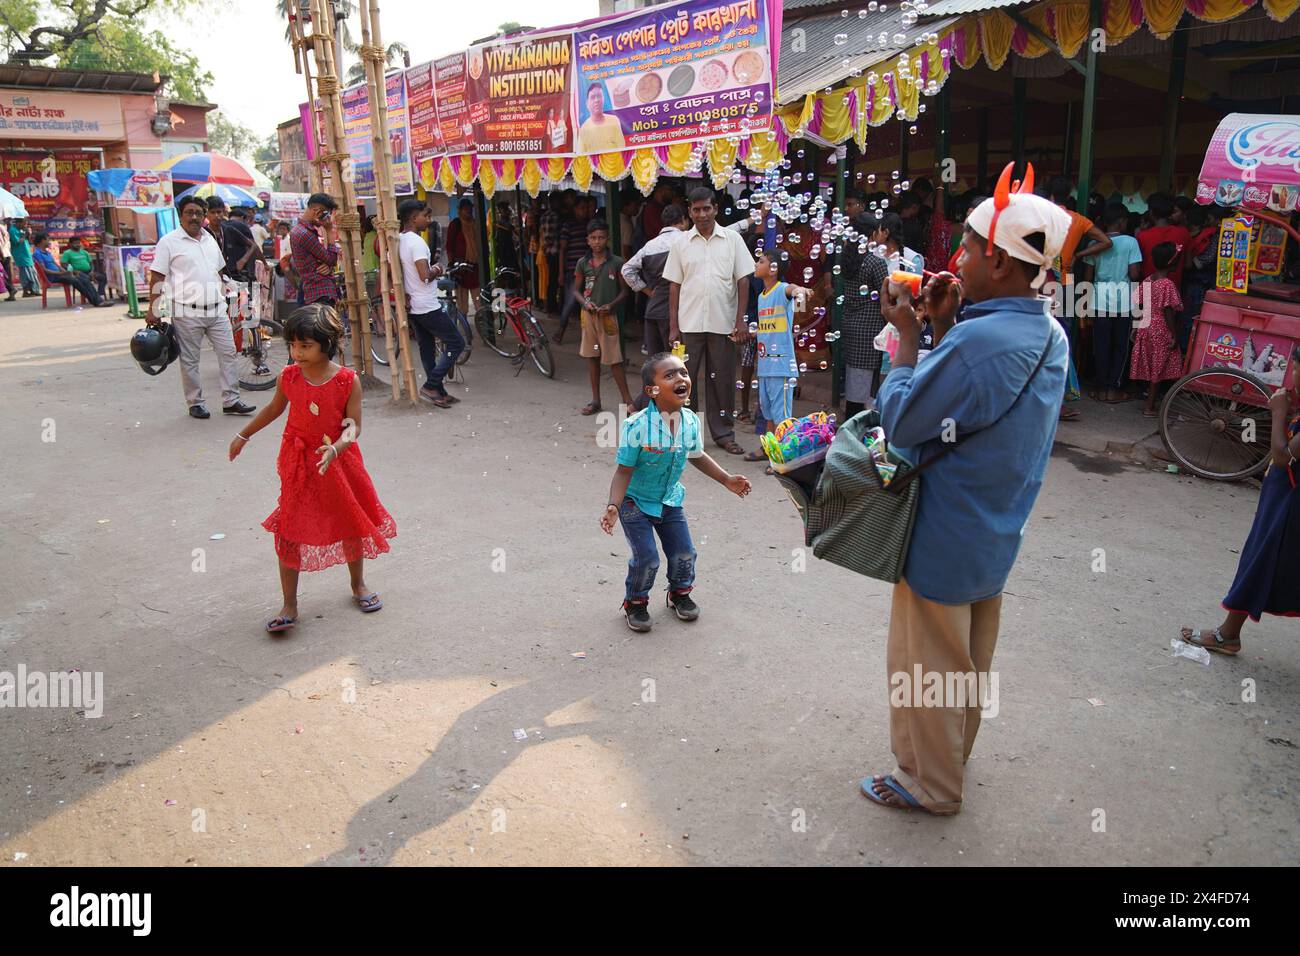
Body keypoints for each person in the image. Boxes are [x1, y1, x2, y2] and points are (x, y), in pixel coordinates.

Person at [863, 168, 1070, 815]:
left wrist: (907, 338)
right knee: (967, 662)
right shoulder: (1047, 333)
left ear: (1003, 263)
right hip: (994, 530)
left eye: (973, 248)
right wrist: (947, 329)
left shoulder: (983, 340)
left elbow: (903, 419)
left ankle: (930, 783)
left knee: (926, 668)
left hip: (943, 533)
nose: (959, 258)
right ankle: (953, 757)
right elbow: (979, 407)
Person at [227, 304, 395, 635]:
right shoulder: (289, 376)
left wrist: (336, 448)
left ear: (326, 344)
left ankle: (358, 584)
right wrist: (243, 434)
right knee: (289, 528)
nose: (297, 352)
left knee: (349, 520)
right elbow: (275, 408)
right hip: (299, 464)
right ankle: (289, 605)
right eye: (293, 345)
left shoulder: (347, 381)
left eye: (305, 346)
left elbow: (353, 427)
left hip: (339, 463)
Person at [600, 351, 752, 632]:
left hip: (670, 498)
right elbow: (623, 471)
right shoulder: (637, 426)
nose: (680, 377)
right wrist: (614, 506)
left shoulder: (692, 421)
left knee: (684, 552)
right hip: (635, 502)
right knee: (647, 557)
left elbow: (697, 455)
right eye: (669, 375)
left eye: (683, 372)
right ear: (652, 390)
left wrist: (726, 479)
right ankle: (635, 602)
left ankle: (680, 593)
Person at [1180, 346, 1300, 655]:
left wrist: (1278, 413)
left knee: (1261, 559)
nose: (1293, 377)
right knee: (1263, 559)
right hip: (1281, 495)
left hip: (1289, 501)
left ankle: (1228, 635)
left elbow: (1282, 455)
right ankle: (1229, 633)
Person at [664, 187, 757, 456]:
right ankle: (686, 435)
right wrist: (673, 326)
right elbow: (674, 286)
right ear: (689, 212)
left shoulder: (732, 240)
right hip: (689, 325)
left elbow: (743, 280)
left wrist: (740, 320)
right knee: (684, 382)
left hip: (724, 325)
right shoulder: (681, 243)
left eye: (706, 208)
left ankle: (724, 434)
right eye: (696, 209)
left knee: (723, 381)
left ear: (716, 209)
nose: (701, 214)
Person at [147, 195, 256, 419]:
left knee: (228, 353)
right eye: (189, 212)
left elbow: (219, 271)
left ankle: (231, 400)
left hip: (217, 308)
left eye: (198, 213)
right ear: (180, 215)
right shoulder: (169, 242)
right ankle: (195, 402)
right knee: (190, 360)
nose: (194, 217)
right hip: (187, 310)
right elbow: (157, 277)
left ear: (203, 215)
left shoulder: (209, 239)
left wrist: (231, 292)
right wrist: (154, 309)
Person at [741, 250, 810, 471]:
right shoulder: (762, 296)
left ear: (773, 269)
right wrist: (750, 334)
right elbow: (766, 327)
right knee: (768, 411)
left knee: (782, 416)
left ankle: (783, 458)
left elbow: (792, 290)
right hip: (765, 364)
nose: (756, 263)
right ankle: (769, 450)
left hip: (781, 365)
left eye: (760, 261)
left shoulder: (782, 290)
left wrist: (800, 290)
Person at [397, 198, 463, 408]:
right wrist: (438, 269)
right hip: (426, 304)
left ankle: (438, 391)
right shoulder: (416, 242)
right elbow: (425, 275)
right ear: (413, 218)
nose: (429, 220)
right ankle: (432, 384)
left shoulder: (399, 240)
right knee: (456, 343)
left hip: (414, 304)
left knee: (426, 348)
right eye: (425, 216)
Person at [1082, 203, 1141, 403]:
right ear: (1122, 221)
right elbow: (1134, 274)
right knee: (1120, 346)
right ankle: (1113, 389)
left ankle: (1099, 387)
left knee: (1100, 345)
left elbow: (1088, 277)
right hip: (1123, 300)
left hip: (1099, 299)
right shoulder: (1131, 242)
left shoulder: (1093, 245)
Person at [576, 219, 634, 415]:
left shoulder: (617, 262)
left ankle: (628, 401)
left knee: (615, 359)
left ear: (607, 239)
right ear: (588, 240)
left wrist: (612, 305)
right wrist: (585, 304)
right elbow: (576, 291)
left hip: (608, 317)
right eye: (593, 238)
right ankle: (595, 400)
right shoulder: (583, 263)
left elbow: (625, 292)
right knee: (592, 357)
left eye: (601, 237)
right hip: (589, 316)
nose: (597, 241)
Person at [841, 213, 892, 417]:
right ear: (872, 234)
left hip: (850, 323)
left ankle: (851, 423)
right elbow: (886, 293)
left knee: (855, 379)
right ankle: (855, 428)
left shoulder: (847, 258)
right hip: (869, 329)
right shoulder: (874, 262)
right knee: (865, 384)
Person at [622, 203, 689, 356]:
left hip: (652, 311)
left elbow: (626, 270)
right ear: (684, 220)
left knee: (656, 362)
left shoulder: (649, 246)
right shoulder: (687, 239)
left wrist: (649, 291)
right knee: (677, 359)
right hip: (676, 313)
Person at [1130, 242, 1185, 418]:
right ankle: (1150, 406)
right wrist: (1174, 334)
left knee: (1151, 364)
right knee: (1158, 369)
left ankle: (1149, 399)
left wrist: (1136, 325)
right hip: (1160, 328)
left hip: (1145, 327)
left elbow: (1140, 306)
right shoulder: (1167, 284)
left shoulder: (1148, 279)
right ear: (1172, 263)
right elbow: (1168, 312)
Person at [289, 193, 341, 307]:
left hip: (315, 291)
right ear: (317, 211)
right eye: (326, 214)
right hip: (320, 291)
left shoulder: (302, 231)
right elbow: (332, 259)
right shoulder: (304, 234)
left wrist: (328, 265)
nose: (328, 219)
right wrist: (329, 230)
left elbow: (327, 260)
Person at [556, 194, 595, 343]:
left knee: (588, 301)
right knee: (570, 302)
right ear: (575, 209)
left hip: (590, 270)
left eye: (586, 208)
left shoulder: (590, 225)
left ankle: (590, 333)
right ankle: (561, 331)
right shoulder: (568, 225)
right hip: (573, 271)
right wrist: (561, 272)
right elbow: (562, 250)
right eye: (581, 208)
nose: (584, 211)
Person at [30, 233, 108, 306]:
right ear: (42, 241)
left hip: (60, 274)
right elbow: (45, 270)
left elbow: (56, 264)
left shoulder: (47, 252)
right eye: (47, 239)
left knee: (84, 278)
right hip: (53, 277)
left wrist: (65, 272)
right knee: (76, 280)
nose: (49, 241)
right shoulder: (37, 253)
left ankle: (98, 300)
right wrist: (62, 274)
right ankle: (96, 302)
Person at [445, 197, 480, 320]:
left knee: (478, 298)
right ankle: (464, 321)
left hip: (475, 266)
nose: (469, 211)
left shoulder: (476, 223)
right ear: (460, 210)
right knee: (462, 299)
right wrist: (451, 264)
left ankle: (481, 320)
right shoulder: (456, 224)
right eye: (466, 209)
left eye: (470, 209)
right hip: (461, 267)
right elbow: (449, 246)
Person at [575, 83, 627, 154]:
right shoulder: (584, 129)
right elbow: (581, 156)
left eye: (599, 96)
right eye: (593, 97)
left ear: (603, 99)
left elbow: (622, 148)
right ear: (587, 104)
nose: (596, 100)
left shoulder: (614, 121)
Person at [59, 235, 107, 300]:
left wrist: (92, 271)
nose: (78, 245)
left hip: (89, 272)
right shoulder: (67, 253)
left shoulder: (84, 252)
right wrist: (73, 271)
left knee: (103, 278)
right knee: (86, 278)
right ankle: (93, 298)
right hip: (77, 273)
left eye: (78, 243)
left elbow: (91, 263)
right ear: (70, 244)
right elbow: (63, 264)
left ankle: (100, 295)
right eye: (75, 243)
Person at [9, 220, 38, 296]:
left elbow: (26, 240)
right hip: (20, 255)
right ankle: (25, 291)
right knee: (25, 274)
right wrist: (25, 235)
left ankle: (33, 290)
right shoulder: (13, 230)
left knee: (32, 273)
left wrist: (28, 234)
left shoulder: (21, 229)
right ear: (18, 223)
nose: (25, 225)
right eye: (24, 224)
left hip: (27, 253)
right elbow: (17, 242)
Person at [0, 217, 13, 300]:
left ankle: (11, 289)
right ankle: (11, 291)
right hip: (6, 252)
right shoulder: (4, 228)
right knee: (5, 275)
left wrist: (1, 255)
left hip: (2, 254)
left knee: (3, 276)